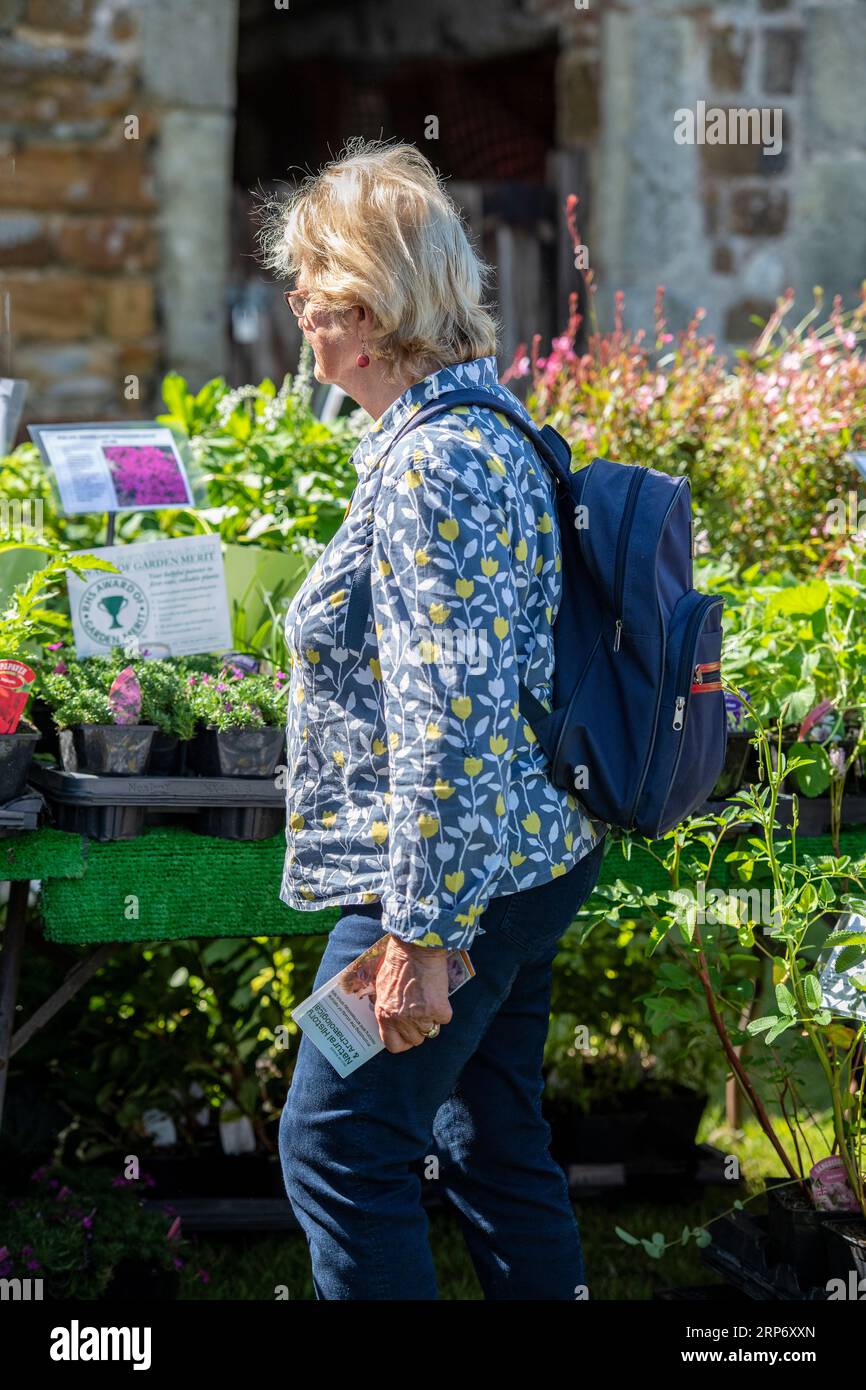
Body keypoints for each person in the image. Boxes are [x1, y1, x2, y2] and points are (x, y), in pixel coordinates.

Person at [257, 138, 609, 1300]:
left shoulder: (431, 467)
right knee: (487, 1139)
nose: (295, 301)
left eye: (309, 279)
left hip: (453, 882)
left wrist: (417, 934)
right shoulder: (474, 430)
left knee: (337, 1145)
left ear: (364, 302)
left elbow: (445, 720)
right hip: (514, 861)